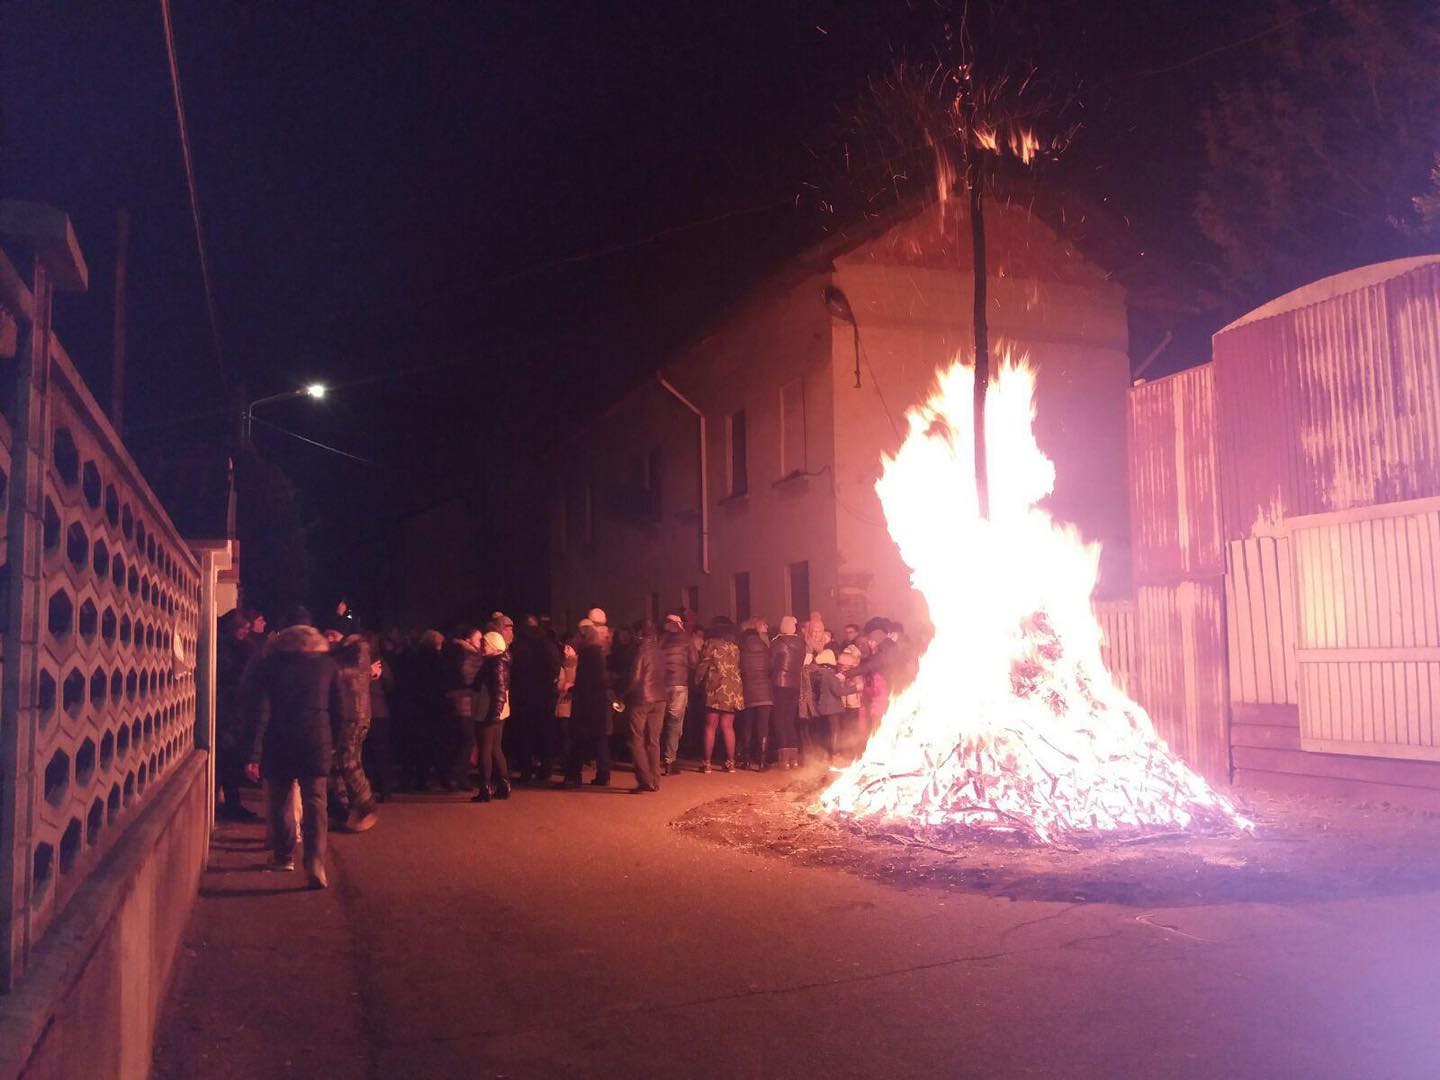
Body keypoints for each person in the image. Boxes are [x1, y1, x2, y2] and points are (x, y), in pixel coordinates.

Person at [244, 610, 345, 889]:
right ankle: (314, 861)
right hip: (317, 740)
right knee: (315, 803)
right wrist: (333, 743)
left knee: (280, 801)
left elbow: (260, 709)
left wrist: (254, 751)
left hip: (280, 737)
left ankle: (283, 855)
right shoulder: (327, 665)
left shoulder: (270, 664)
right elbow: (339, 710)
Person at [329, 633, 379, 832]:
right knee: (339, 762)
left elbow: (345, 674)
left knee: (349, 762)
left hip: (353, 717)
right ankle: (342, 810)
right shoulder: (351, 656)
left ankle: (367, 807)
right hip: (350, 715)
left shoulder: (358, 653)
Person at [216, 609, 260, 821]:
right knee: (228, 760)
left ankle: (229, 802)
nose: (246, 632)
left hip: (229, 712)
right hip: (228, 712)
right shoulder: (233, 651)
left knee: (227, 761)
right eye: (244, 628)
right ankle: (229, 804)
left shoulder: (229, 647)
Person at [509, 614, 561, 783]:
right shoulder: (547, 643)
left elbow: (512, 670)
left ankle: (526, 769)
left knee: (524, 734)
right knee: (545, 733)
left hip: (523, 696)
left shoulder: (518, 646)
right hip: (544, 696)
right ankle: (545, 768)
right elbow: (555, 667)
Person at [564, 621, 614, 787]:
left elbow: (586, 680)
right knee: (599, 741)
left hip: (587, 704)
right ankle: (603, 775)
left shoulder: (588, 654)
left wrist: (574, 689)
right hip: (597, 704)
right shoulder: (597, 653)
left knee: (578, 740)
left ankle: (573, 776)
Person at [442, 626, 485, 792]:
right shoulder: (469, 655)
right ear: (468, 640)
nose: (481, 643)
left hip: (456, 698)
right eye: (478, 639)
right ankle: (459, 775)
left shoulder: (453, 651)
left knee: (459, 739)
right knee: (468, 739)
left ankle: (452, 775)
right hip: (465, 699)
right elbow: (469, 676)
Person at [696, 617, 742, 773]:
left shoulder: (710, 644)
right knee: (728, 727)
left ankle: (707, 763)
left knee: (710, 727)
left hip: (715, 688)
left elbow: (702, 665)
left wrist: (696, 681)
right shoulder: (734, 647)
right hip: (733, 689)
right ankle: (730, 763)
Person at [625, 620, 665, 792]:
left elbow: (635, 678)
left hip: (642, 699)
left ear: (639, 633)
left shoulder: (640, 651)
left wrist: (623, 695)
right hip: (660, 699)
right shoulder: (660, 651)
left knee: (636, 740)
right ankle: (656, 780)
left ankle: (644, 780)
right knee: (653, 741)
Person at [472, 630, 512, 802]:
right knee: (495, 749)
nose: (481, 647)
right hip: (497, 711)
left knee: (485, 751)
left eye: (484, 644)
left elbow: (499, 692)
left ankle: (485, 788)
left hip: (488, 711)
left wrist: (493, 714)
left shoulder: (494, 664)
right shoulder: (499, 662)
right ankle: (503, 785)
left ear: (493, 646)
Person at [659, 612, 696, 774]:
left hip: (661, 684)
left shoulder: (661, 639)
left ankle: (655, 757)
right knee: (675, 723)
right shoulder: (687, 639)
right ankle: (669, 761)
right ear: (679, 624)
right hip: (679, 684)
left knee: (660, 721)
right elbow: (694, 661)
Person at [737, 617, 774, 769]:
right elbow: (771, 668)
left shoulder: (741, 648)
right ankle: (762, 762)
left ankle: (746, 761)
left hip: (748, 692)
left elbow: (738, 669)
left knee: (747, 726)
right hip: (765, 694)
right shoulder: (765, 647)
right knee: (763, 727)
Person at [363, 633, 395, 803]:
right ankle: (385, 789)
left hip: (368, 711)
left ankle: (374, 787)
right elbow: (390, 685)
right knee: (381, 752)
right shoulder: (380, 662)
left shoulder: (360, 662)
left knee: (367, 752)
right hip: (379, 711)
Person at [769, 615, 805, 769]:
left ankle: (783, 760)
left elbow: (771, 663)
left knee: (779, 720)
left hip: (779, 683)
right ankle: (794, 759)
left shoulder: (778, 642)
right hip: (795, 684)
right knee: (790, 720)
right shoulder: (801, 643)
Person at [811, 648, 844, 763]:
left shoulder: (816, 674)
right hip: (832, 707)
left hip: (821, 707)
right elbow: (838, 691)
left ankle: (824, 755)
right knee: (835, 731)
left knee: (825, 731)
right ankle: (835, 755)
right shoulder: (830, 674)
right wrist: (856, 688)